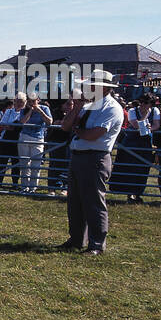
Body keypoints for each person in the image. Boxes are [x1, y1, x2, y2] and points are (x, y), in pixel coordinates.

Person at [57, 84, 124, 255]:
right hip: (79, 156)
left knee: (93, 203)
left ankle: (96, 244)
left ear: (106, 89)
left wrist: (77, 130)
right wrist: (77, 107)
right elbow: (65, 126)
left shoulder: (112, 108)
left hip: (95, 158)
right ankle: (76, 240)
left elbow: (94, 134)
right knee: (75, 202)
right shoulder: (88, 106)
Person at [109, 94, 158, 202]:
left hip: (145, 143)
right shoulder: (132, 111)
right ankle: (128, 193)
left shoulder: (155, 111)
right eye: (143, 102)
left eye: (147, 103)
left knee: (142, 168)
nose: (143, 105)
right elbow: (136, 125)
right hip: (131, 142)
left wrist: (151, 128)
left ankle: (138, 193)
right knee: (129, 167)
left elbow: (156, 125)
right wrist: (145, 115)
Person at [15, 91, 53, 193]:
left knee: (36, 165)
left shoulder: (45, 109)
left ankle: (33, 187)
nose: (32, 103)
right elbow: (22, 122)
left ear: (38, 100)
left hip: (38, 138)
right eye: (30, 101)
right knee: (24, 164)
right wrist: (30, 111)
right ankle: (24, 187)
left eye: (34, 101)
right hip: (24, 136)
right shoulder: (24, 110)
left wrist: (39, 110)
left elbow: (49, 122)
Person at [0, 94, 24, 189]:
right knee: (2, 162)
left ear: (24, 102)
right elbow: (2, 124)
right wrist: (13, 127)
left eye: (21, 101)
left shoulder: (24, 113)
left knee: (15, 163)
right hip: (6, 139)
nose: (18, 103)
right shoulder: (8, 111)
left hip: (18, 140)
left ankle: (15, 183)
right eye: (16, 101)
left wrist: (11, 127)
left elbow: (22, 125)